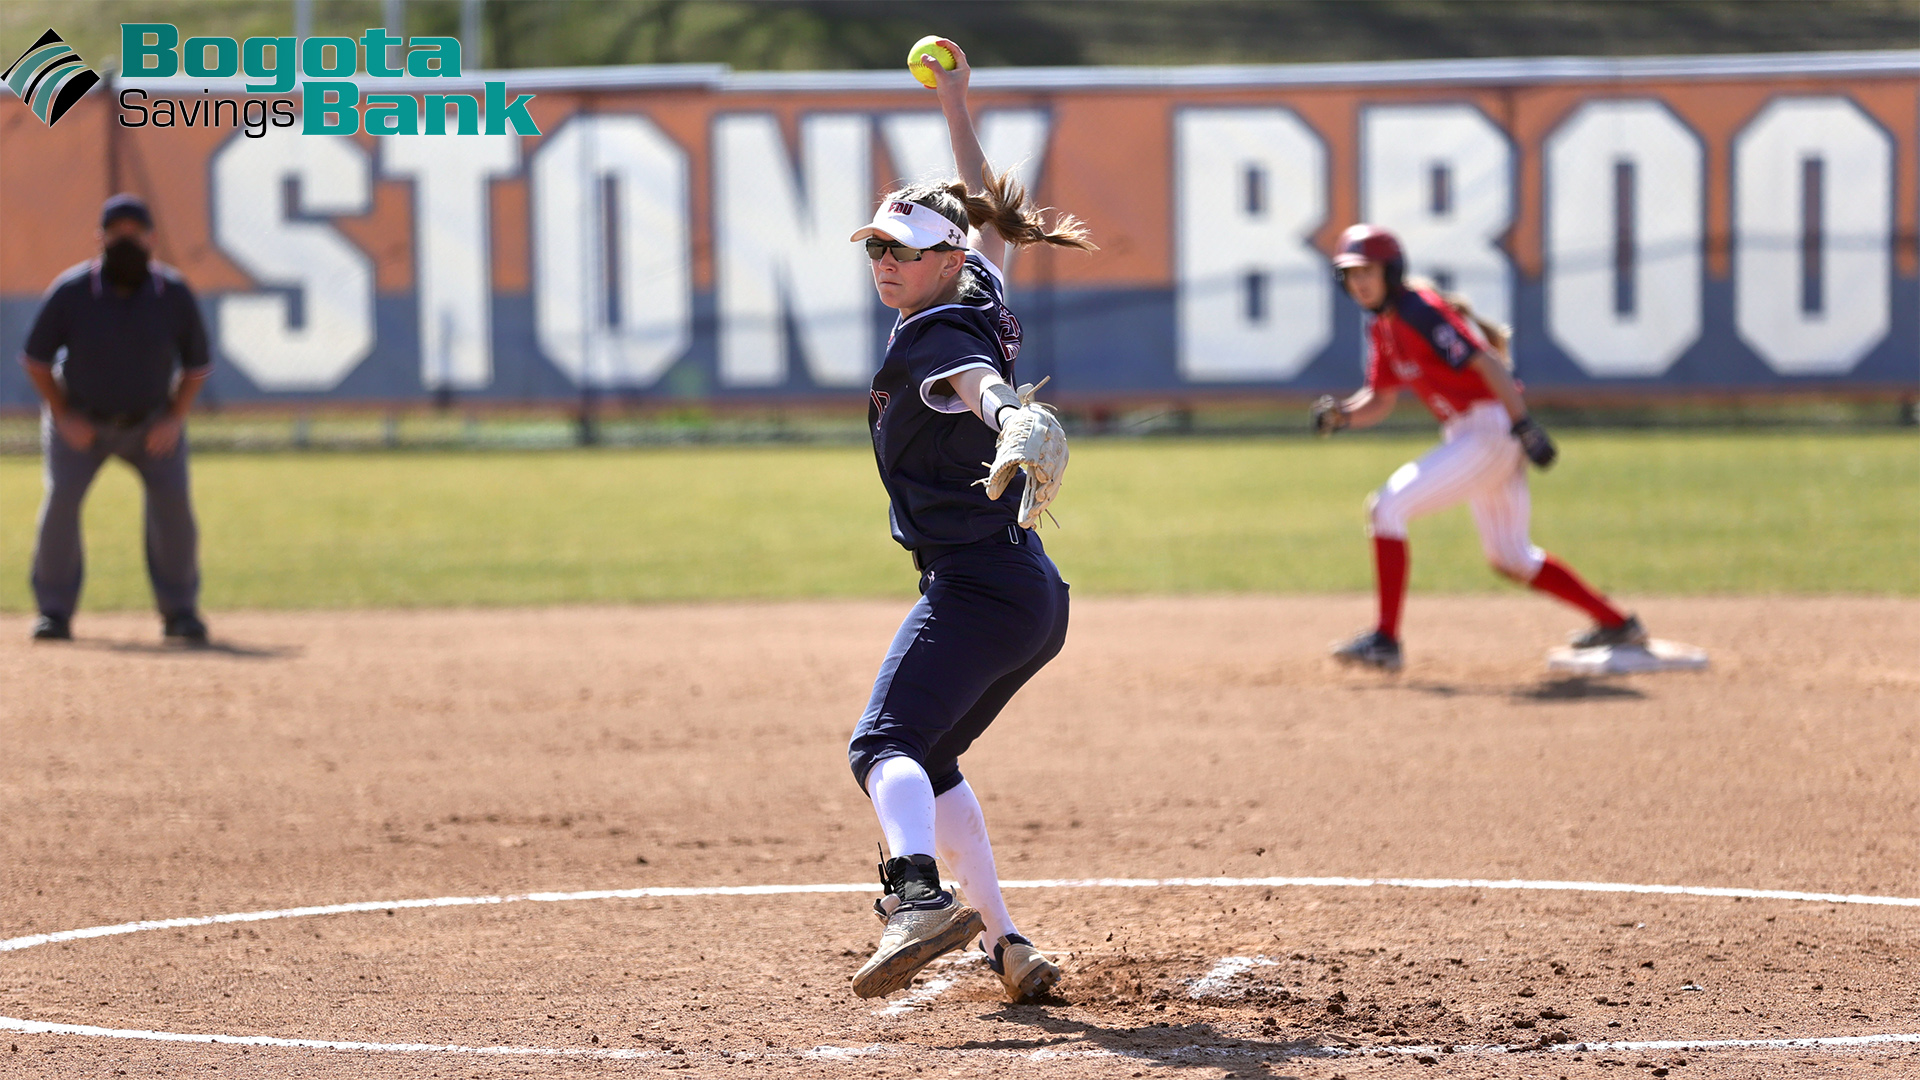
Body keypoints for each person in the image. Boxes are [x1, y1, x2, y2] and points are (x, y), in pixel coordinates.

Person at [844, 39, 1094, 1003]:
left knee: (882, 747)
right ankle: (1008, 945)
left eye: (901, 251)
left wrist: (1010, 417)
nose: (884, 263)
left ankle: (915, 897)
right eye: (876, 247)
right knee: (933, 754)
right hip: (1028, 593)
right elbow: (986, 215)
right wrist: (956, 103)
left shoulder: (939, 333)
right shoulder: (976, 289)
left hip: (979, 588)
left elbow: (976, 385)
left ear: (941, 261)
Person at [1312, 224, 1647, 672]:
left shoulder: (1418, 311)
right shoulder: (1384, 326)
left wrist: (1522, 424)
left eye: (1368, 271)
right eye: (1352, 275)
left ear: (1390, 272)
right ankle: (1619, 624)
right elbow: (1379, 399)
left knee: (1386, 508)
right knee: (1511, 557)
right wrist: (1344, 415)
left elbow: (1487, 361)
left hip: (1489, 430)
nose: (1360, 283)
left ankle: (1385, 640)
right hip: (1472, 434)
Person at [19, 193, 211, 645]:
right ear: (99, 238)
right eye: (116, 232)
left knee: (173, 505)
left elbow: (197, 365)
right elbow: (36, 359)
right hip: (82, 422)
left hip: (151, 424)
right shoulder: (72, 292)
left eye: (134, 232)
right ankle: (54, 612)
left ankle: (180, 611)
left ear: (152, 239)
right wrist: (63, 415)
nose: (125, 240)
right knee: (61, 502)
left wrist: (174, 418)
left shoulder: (172, 294)